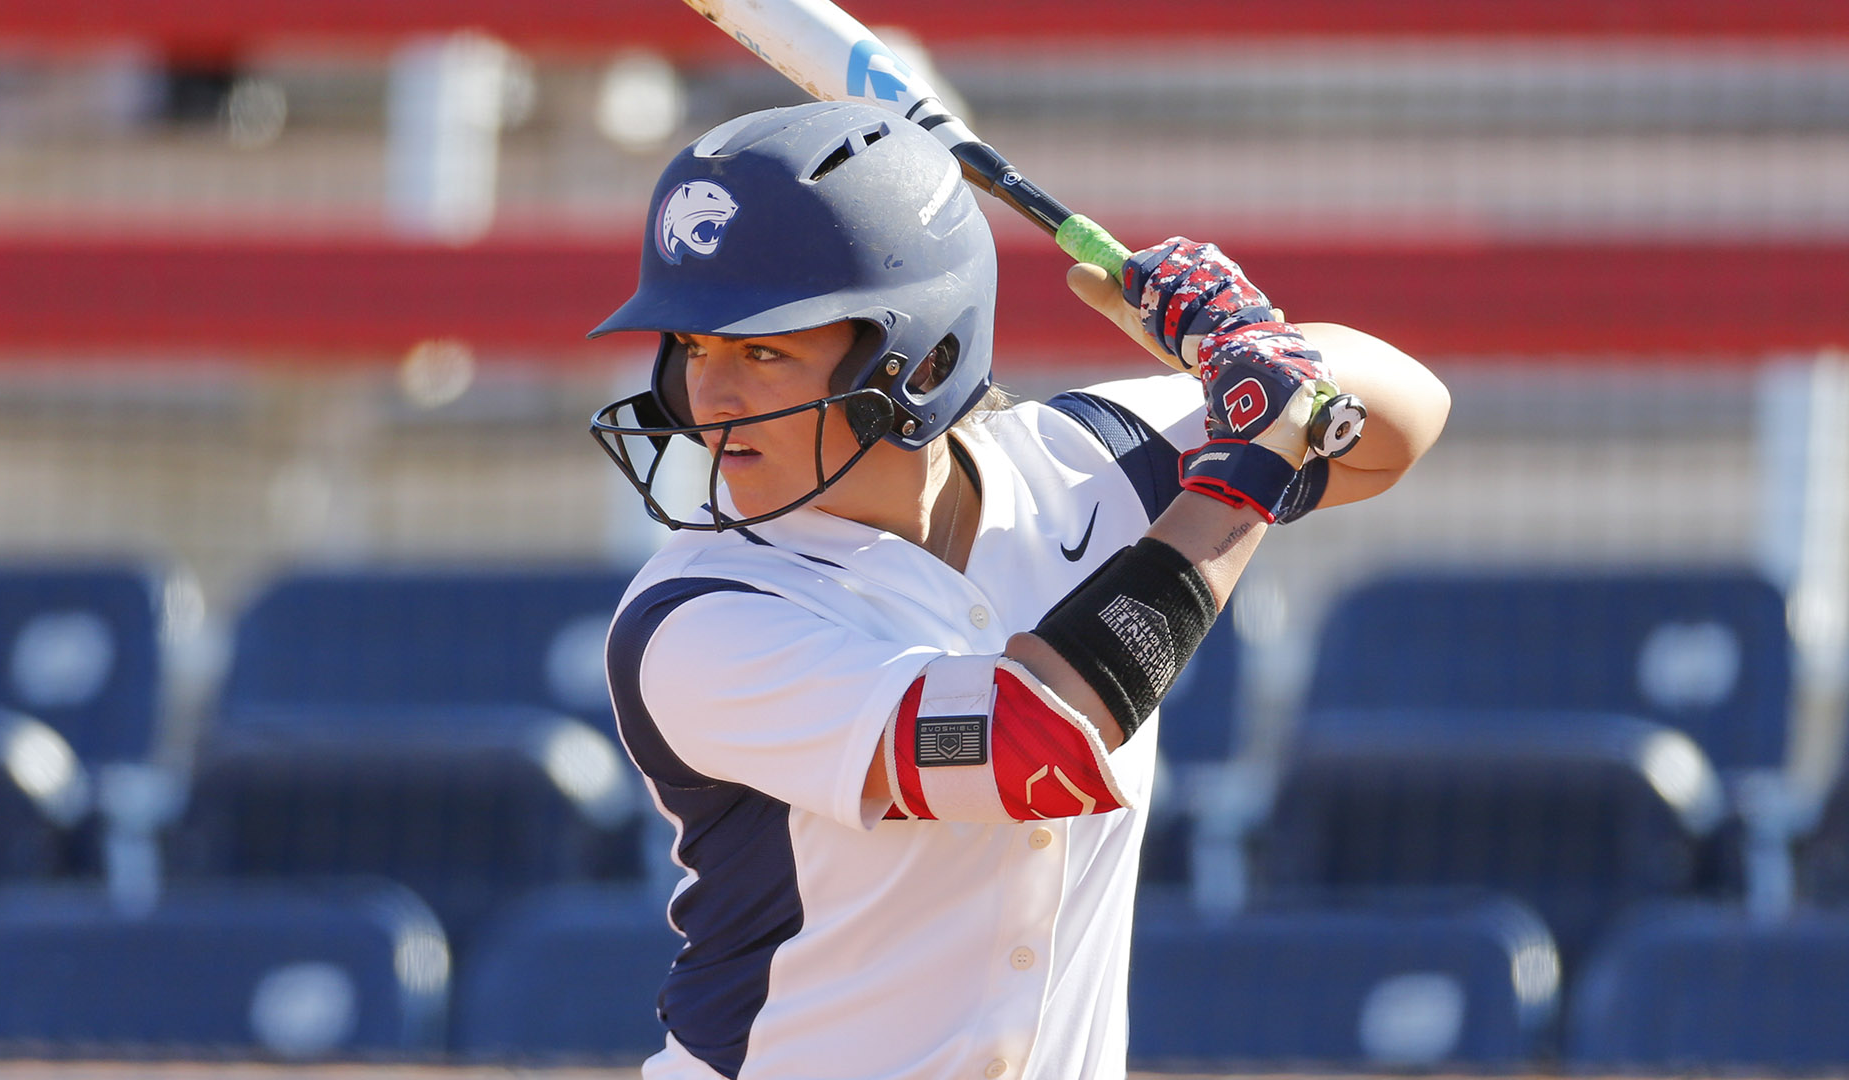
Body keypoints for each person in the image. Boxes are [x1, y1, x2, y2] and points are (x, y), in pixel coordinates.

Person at [588, 100, 1450, 1080]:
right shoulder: (693, 621)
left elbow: (1403, 418)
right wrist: (1249, 460)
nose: (711, 398)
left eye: (763, 349)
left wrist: (1258, 350)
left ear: (923, 356)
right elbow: (1024, 745)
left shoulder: (1085, 463)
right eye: (694, 348)